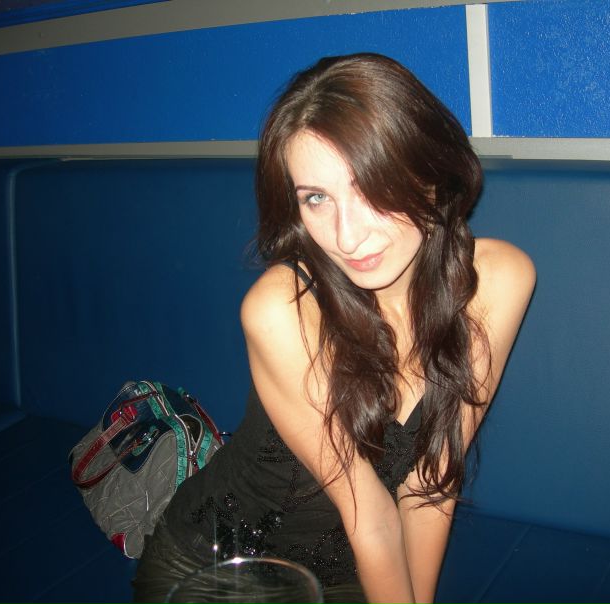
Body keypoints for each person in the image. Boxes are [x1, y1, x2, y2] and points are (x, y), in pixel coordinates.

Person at [133, 52, 535, 604]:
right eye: (317, 199)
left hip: (350, 574)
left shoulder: (498, 280)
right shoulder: (283, 309)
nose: (347, 236)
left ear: (432, 176)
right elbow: (368, 513)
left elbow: (432, 482)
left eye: (372, 188)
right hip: (221, 568)